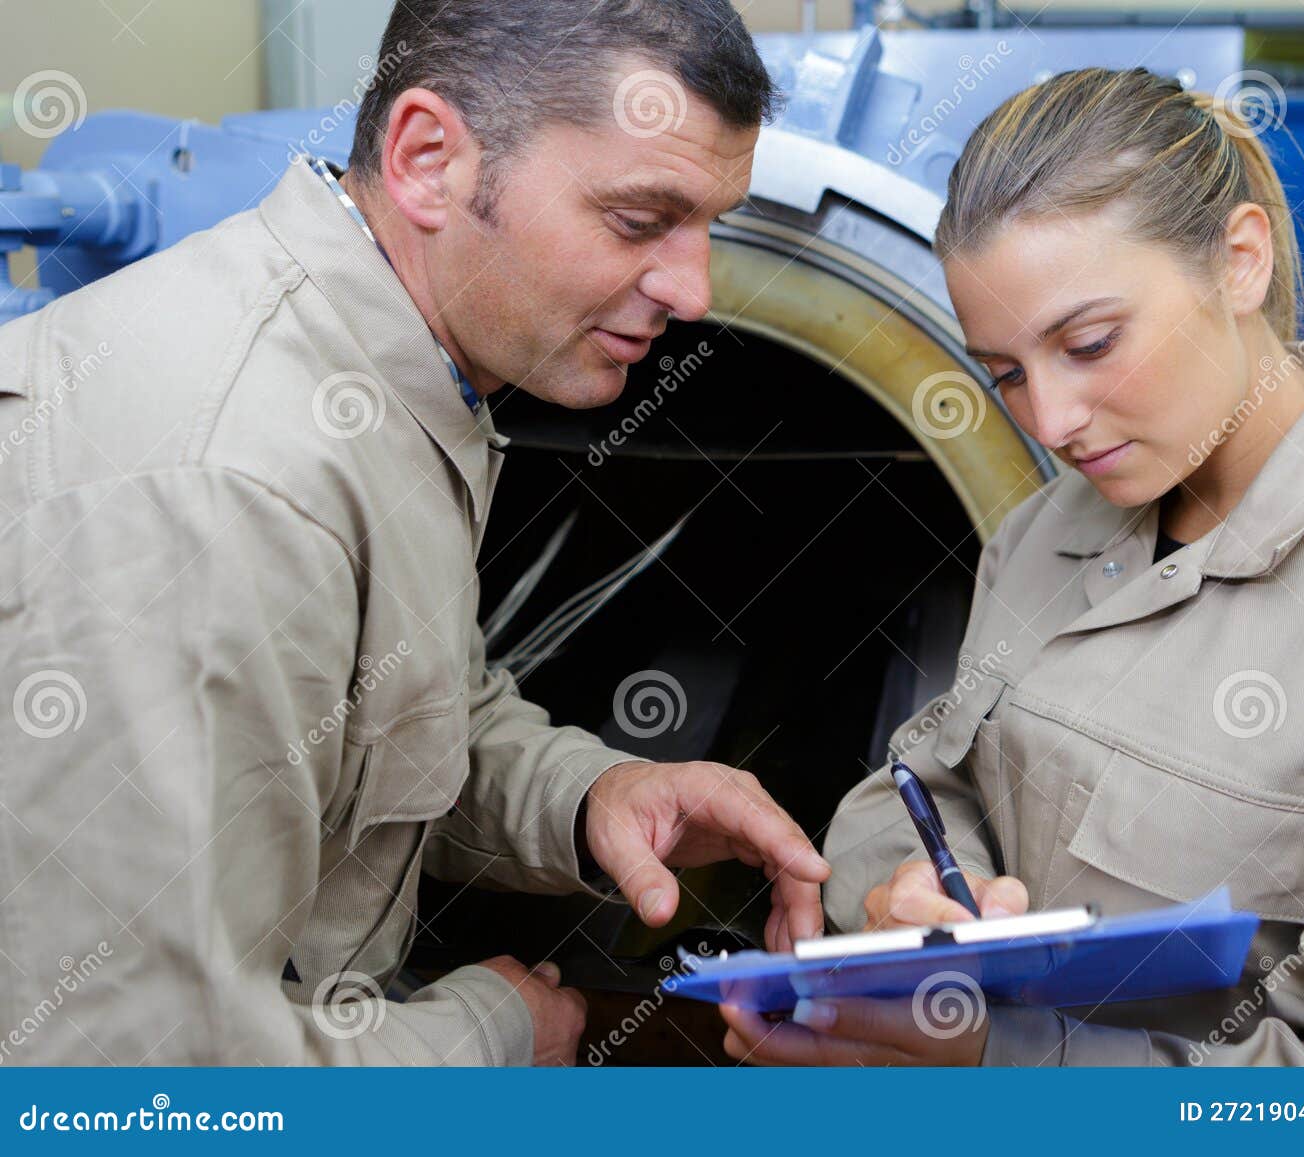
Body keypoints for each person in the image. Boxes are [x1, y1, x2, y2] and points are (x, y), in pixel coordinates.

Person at [0, 0, 829, 1065]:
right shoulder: (230, 491)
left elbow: (374, 709)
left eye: (707, 224)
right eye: (636, 221)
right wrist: (488, 1035)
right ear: (428, 159)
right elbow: (137, 1082)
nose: (694, 290)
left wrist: (588, 798)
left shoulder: (386, 371)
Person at [721, 66, 1304, 1066]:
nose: (1049, 421)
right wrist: (919, 899)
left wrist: (1002, 1060)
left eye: (1090, 343)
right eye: (1004, 371)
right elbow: (922, 786)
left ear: (1238, 261)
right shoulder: (1045, 531)